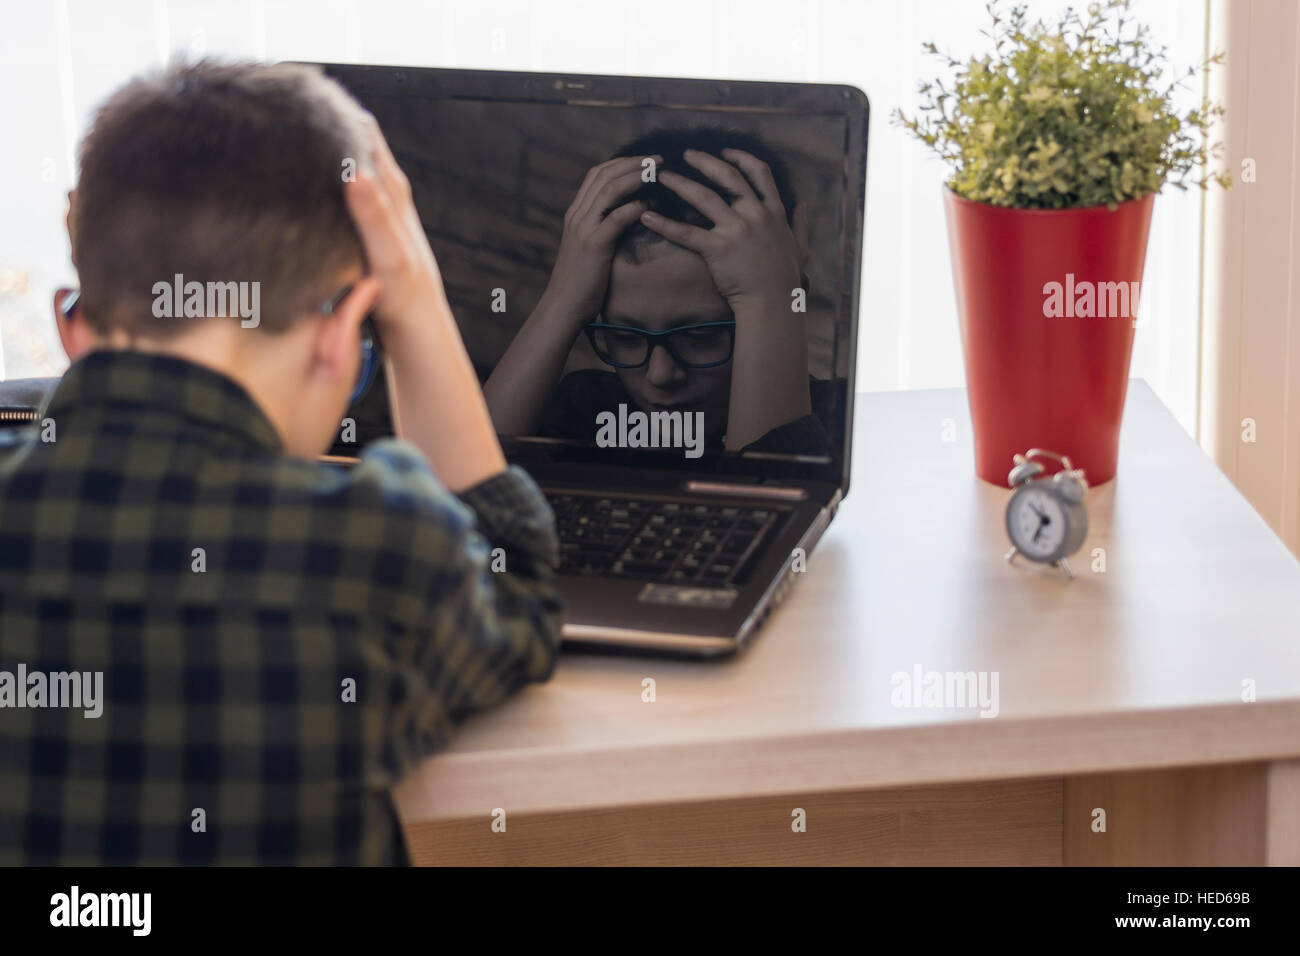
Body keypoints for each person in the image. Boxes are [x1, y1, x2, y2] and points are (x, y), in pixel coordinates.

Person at [0, 61, 563, 865]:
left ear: (72, 325)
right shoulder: (379, 547)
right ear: (342, 334)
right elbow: (518, 581)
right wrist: (412, 297)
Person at [484, 127, 833, 457]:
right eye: (624, 335)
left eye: (700, 336)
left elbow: (759, 514)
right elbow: (460, 496)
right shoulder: (580, 412)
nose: (660, 375)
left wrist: (770, 300)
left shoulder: (849, 430)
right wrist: (562, 300)